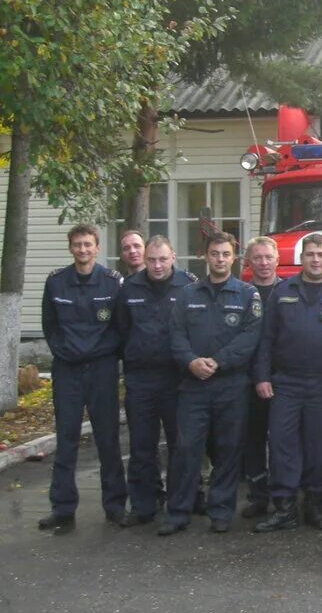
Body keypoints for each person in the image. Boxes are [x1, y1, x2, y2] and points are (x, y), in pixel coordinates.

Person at [253, 233, 322, 532]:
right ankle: (285, 508)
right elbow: (266, 339)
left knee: (320, 448)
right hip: (286, 384)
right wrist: (262, 376)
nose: (315, 259)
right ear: (301, 258)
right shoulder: (282, 291)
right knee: (282, 446)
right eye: (310, 254)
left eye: (321, 254)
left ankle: (315, 505)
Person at [158, 232, 263, 535]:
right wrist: (191, 361)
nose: (220, 259)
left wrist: (219, 361)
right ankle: (178, 512)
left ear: (234, 258)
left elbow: (250, 337)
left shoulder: (247, 294)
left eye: (225, 254)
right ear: (205, 256)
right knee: (186, 448)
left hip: (231, 385)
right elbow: (175, 334)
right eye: (214, 253)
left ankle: (221, 511)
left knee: (228, 451)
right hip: (194, 385)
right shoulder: (188, 295)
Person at [37, 225, 127, 533]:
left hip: (101, 369)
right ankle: (62, 507)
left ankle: (115, 505)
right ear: (70, 248)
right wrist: (68, 352)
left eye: (88, 244)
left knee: (108, 439)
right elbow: (50, 327)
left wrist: (98, 353)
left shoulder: (113, 283)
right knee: (66, 439)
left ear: (97, 248)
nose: (83, 250)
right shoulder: (56, 282)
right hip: (68, 370)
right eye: (77, 245)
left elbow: (119, 328)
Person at [116, 236, 194, 526]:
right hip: (141, 379)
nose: (157, 265)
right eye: (151, 260)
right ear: (143, 260)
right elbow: (122, 329)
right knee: (141, 446)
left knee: (180, 444)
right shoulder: (130, 289)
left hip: (177, 379)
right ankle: (143, 505)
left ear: (173, 257)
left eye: (163, 259)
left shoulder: (188, 285)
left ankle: (180, 502)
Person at [241, 237, 282, 518]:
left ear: (277, 260)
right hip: (246, 378)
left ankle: (283, 494)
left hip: (282, 378)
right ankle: (257, 494)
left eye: (268, 257)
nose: (264, 263)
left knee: (282, 440)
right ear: (248, 262)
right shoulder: (240, 293)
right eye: (258, 258)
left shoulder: (290, 291)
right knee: (252, 438)